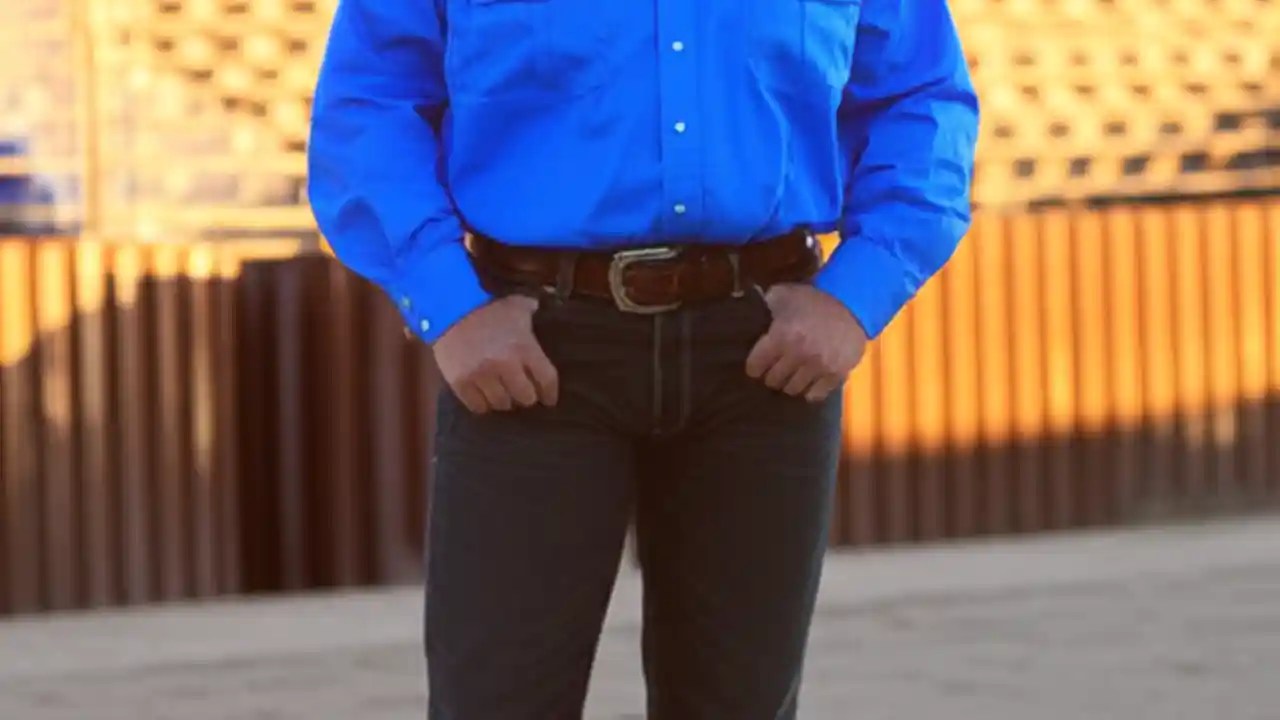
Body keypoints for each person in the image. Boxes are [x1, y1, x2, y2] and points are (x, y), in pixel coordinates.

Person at [308, 0, 977, 716]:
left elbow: (921, 95)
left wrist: (858, 292)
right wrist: (449, 304)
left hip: (763, 358)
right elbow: (370, 101)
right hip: (534, 355)